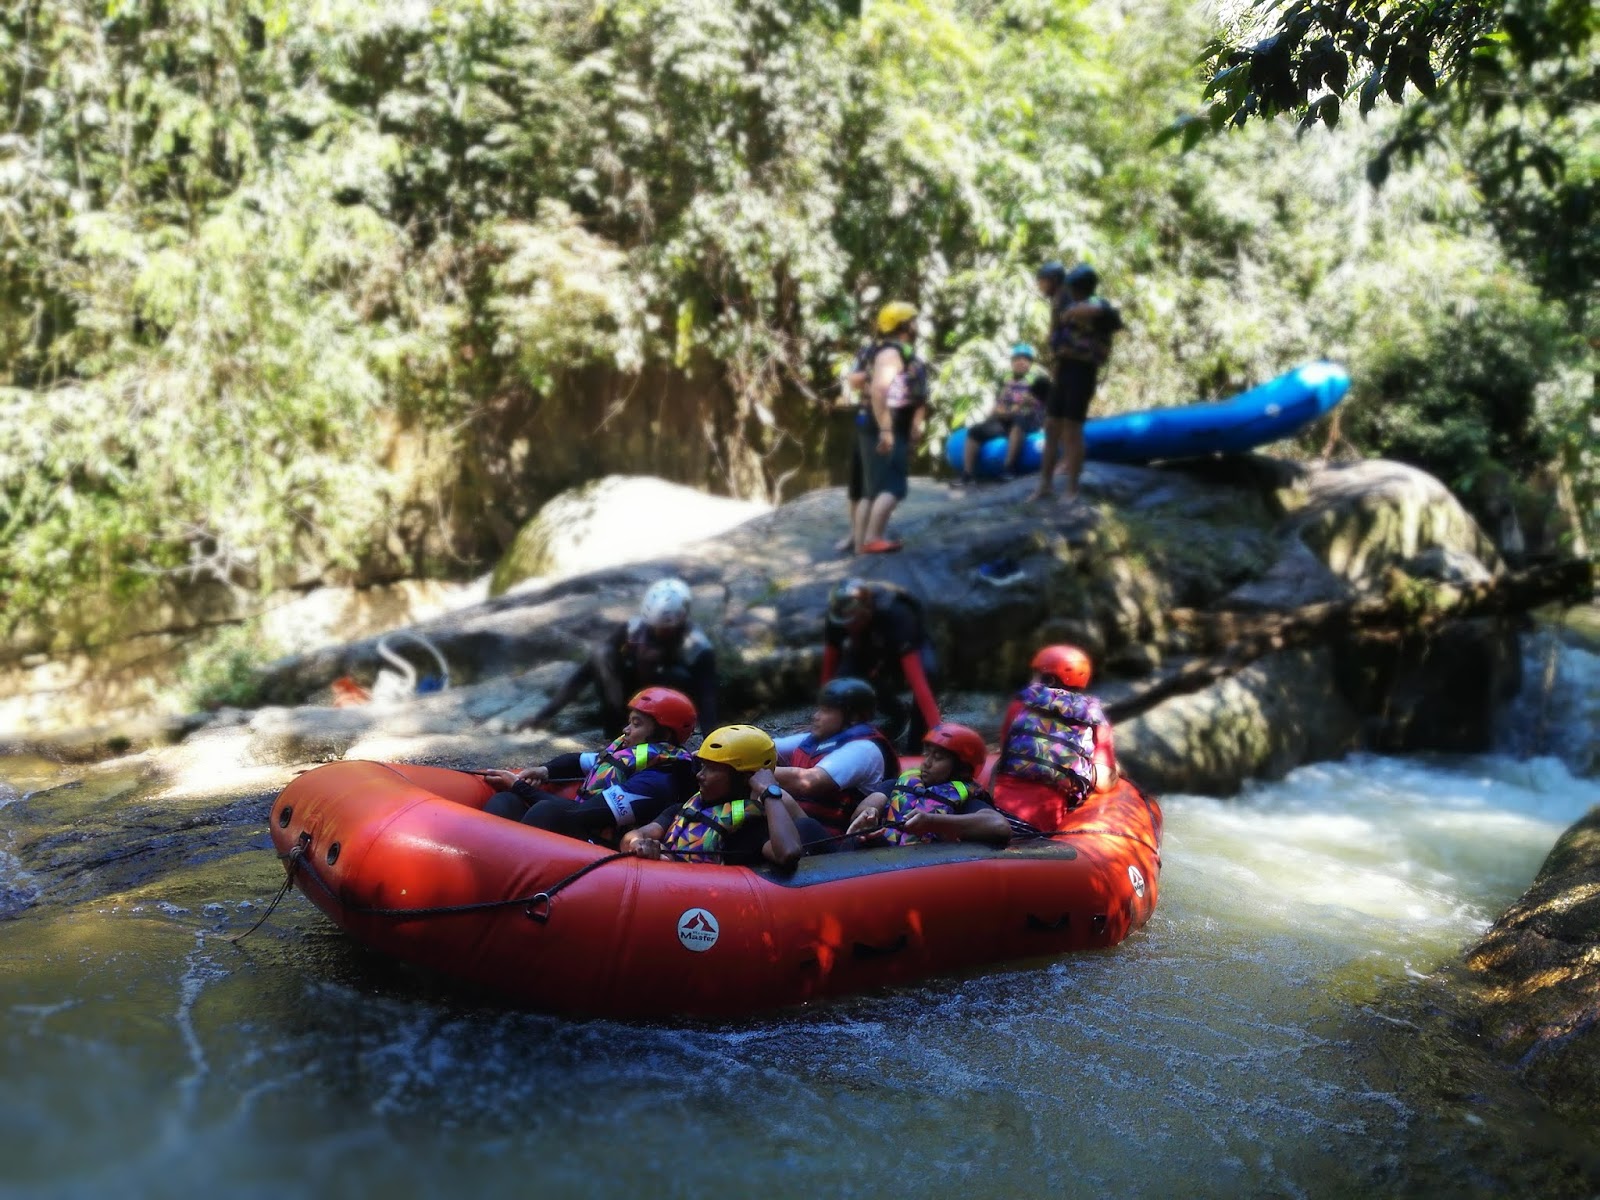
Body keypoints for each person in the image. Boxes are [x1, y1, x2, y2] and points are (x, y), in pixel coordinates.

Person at [482, 687, 699, 844]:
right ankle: (482, 855)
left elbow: (584, 813)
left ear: (664, 733)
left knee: (546, 812)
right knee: (506, 801)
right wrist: (545, 770)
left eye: (636, 724)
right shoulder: (630, 755)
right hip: (579, 827)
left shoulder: (658, 781)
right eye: (630, 721)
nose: (626, 729)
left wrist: (519, 786)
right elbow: (577, 761)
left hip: (600, 851)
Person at [520, 578, 717, 733]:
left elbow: (707, 698)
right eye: (655, 628)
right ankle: (617, 730)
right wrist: (544, 715)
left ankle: (656, 731)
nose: (659, 632)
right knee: (602, 653)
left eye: (666, 629)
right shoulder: (634, 629)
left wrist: (710, 742)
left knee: (677, 675)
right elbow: (585, 673)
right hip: (629, 701)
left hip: (668, 707)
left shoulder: (696, 646)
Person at [621, 724, 805, 868]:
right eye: (702, 766)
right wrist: (640, 844)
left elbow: (787, 853)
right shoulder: (684, 809)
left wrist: (769, 790)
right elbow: (632, 837)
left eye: (712, 769)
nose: (700, 775)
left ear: (746, 778)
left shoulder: (749, 829)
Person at [989, 643, 1119, 832]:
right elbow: (1103, 782)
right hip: (1036, 824)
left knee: (996, 765)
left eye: (1035, 674)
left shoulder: (1021, 705)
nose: (1031, 681)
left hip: (992, 812)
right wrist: (1116, 772)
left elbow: (1007, 754)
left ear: (1049, 679)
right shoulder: (1095, 720)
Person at [1032, 262, 1124, 505]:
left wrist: (1072, 311)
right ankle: (1045, 485)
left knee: (1072, 430)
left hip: (1083, 372)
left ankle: (1071, 489)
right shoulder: (1063, 303)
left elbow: (1105, 314)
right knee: (1052, 426)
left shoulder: (1098, 306)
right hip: (1063, 370)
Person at [845, 723, 1012, 847]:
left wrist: (932, 821)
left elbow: (999, 826)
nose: (927, 763)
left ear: (961, 769)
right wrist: (869, 813)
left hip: (921, 869)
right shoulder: (896, 785)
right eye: (927, 754)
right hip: (881, 859)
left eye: (938, 758)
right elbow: (870, 803)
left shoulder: (967, 801)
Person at [823, 579, 941, 751]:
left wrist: (939, 732)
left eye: (854, 620)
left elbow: (918, 682)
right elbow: (829, 669)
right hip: (868, 645)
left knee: (929, 673)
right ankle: (896, 714)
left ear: (867, 610)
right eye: (845, 622)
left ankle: (915, 744)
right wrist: (824, 714)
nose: (848, 626)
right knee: (844, 679)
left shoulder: (897, 614)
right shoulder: (838, 618)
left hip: (908, 649)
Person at [773, 676, 901, 832]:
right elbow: (767, 746)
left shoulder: (863, 749)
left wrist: (750, 771)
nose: (816, 716)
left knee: (772, 795)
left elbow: (807, 782)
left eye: (826, 710)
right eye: (819, 709)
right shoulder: (815, 740)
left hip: (832, 843)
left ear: (853, 717)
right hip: (799, 832)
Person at [859, 301, 929, 554]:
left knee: (886, 482)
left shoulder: (897, 351)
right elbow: (880, 390)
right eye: (914, 320)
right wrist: (886, 429)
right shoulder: (891, 353)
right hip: (886, 421)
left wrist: (913, 426)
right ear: (904, 324)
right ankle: (872, 538)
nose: (917, 325)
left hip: (891, 421)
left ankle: (870, 538)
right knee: (894, 485)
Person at [957, 344, 1048, 486]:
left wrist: (1018, 409)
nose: (1021, 362)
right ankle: (967, 473)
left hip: (1028, 420)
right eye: (1017, 359)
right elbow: (996, 406)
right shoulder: (1005, 381)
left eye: (1025, 359)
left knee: (1019, 420)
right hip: (1006, 419)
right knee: (976, 430)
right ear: (1012, 362)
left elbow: (1039, 405)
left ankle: (1008, 468)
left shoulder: (1038, 381)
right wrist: (1003, 413)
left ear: (1030, 363)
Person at [838, 340, 878, 555]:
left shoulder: (904, 352)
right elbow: (853, 379)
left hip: (885, 422)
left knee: (874, 487)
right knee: (857, 483)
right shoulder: (869, 349)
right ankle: (855, 535)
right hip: (866, 418)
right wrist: (871, 378)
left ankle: (870, 536)